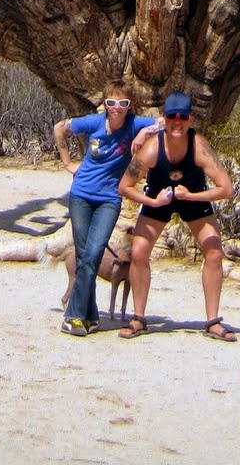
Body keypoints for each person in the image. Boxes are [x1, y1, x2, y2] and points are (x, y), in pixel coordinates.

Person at [116, 90, 236, 341]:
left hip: (193, 197)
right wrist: (152, 201)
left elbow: (226, 189)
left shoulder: (200, 147)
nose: (177, 122)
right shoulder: (151, 149)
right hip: (158, 198)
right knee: (139, 251)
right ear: (165, 119)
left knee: (214, 250)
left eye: (183, 116)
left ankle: (213, 321)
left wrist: (190, 196)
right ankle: (138, 318)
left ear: (191, 119)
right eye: (172, 117)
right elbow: (124, 186)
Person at [53, 85, 157, 336]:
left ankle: (74, 316)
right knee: (83, 255)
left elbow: (166, 123)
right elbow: (60, 128)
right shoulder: (93, 122)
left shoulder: (134, 124)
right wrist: (68, 163)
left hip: (109, 200)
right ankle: (87, 315)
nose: (117, 109)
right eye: (112, 103)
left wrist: (144, 133)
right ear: (105, 105)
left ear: (130, 106)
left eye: (123, 104)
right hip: (81, 196)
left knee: (94, 253)